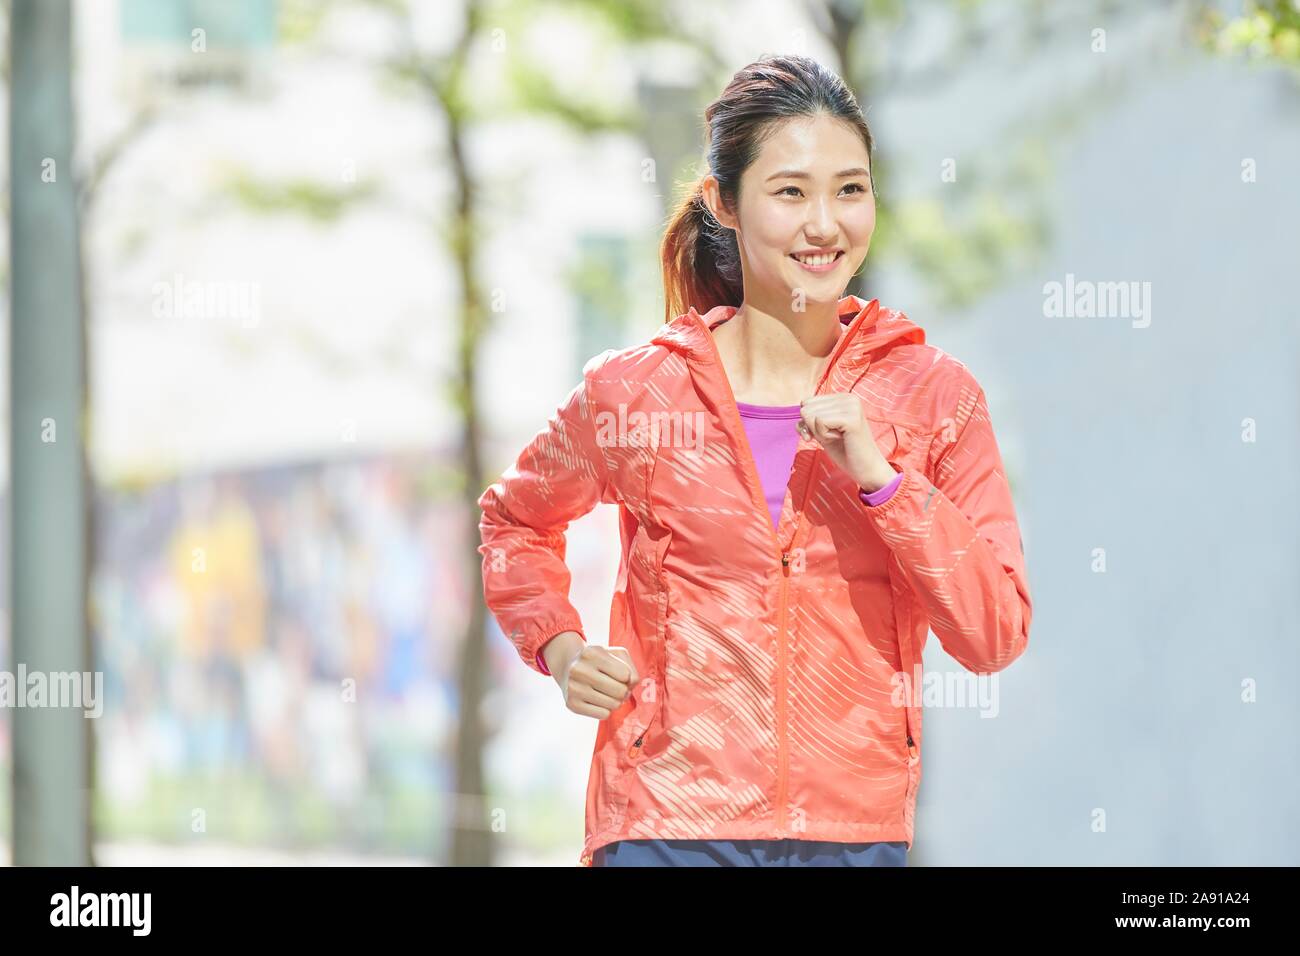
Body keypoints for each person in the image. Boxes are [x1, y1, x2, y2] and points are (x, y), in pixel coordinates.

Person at [478, 53, 1033, 867]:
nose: (825, 224)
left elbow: (995, 634)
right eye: (791, 192)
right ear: (724, 203)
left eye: (850, 189)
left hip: (851, 833)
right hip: (665, 823)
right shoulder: (638, 393)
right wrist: (560, 649)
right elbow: (514, 521)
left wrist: (885, 484)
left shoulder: (933, 397)